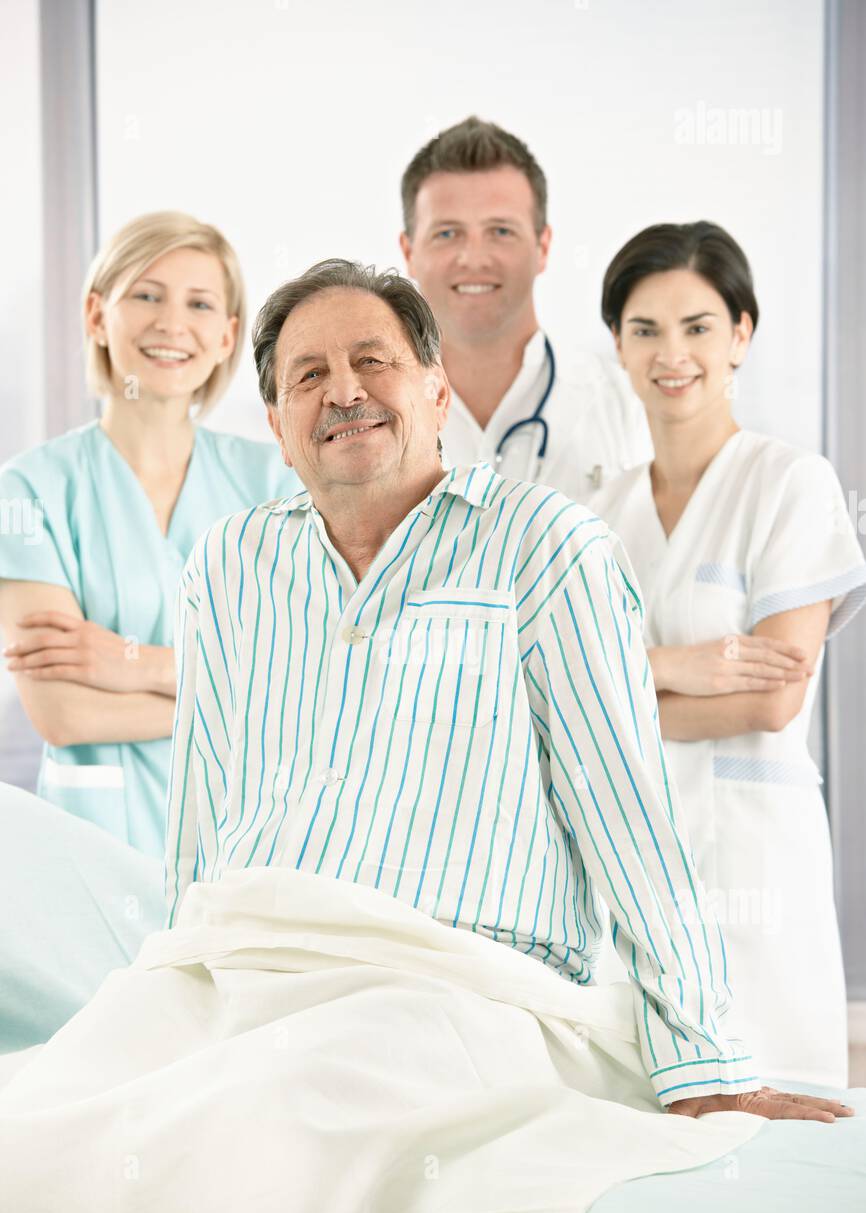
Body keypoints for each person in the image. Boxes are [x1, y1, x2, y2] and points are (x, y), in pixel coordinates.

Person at [164, 255, 851, 1124]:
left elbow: (626, 815)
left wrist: (704, 1063)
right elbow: (197, 815)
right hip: (246, 969)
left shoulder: (547, 547)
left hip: (450, 980)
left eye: (373, 362)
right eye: (310, 375)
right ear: (275, 419)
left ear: (437, 392)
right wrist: (174, 991)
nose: (343, 392)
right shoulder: (229, 564)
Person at [591, 220, 866, 1088]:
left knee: (782, 1104)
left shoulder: (790, 484)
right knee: (644, 1117)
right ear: (619, 347)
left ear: (741, 334)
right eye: (646, 329)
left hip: (757, 859)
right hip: (631, 865)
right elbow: (554, 696)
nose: (672, 354)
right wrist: (676, 667)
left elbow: (772, 699)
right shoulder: (600, 512)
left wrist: (623, 689)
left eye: (698, 326)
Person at [0, 211, 299, 857]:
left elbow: (314, 684)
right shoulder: (28, 492)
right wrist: (241, 701)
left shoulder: (277, 487)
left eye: (198, 303)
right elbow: (64, 715)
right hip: (91, 851)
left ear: (225, 337)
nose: (171, 324)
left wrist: (129, 663)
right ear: (95, 315)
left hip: (250, 849)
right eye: (146, 295)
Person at [398, 116, 652, 501]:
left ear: (543, 247)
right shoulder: (373, 412)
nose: (473, 258)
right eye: (447, 233)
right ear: (409, 252)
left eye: (501, 231)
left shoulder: (626, 407)